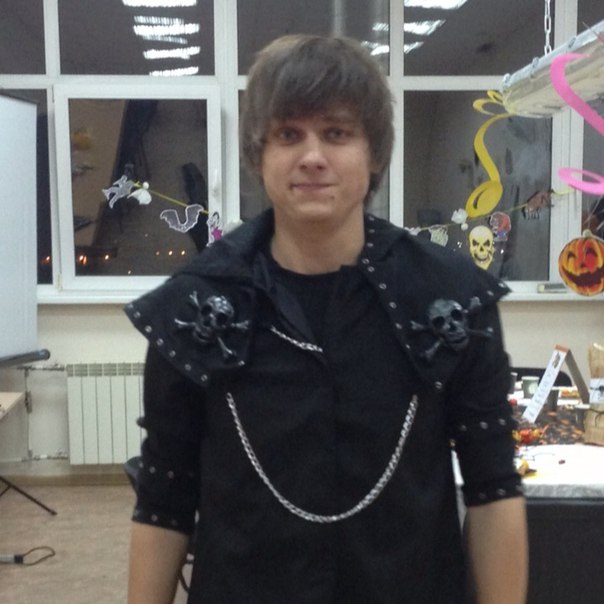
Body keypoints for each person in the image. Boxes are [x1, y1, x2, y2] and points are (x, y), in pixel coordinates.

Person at [126, 34, 528, 604]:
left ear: (374, 153)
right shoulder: (195, 309)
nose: (312, 156)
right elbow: (164, 502)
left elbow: (494, 489)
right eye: (288, 134)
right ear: (259, 155)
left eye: (337, 133)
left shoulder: (451, 302)